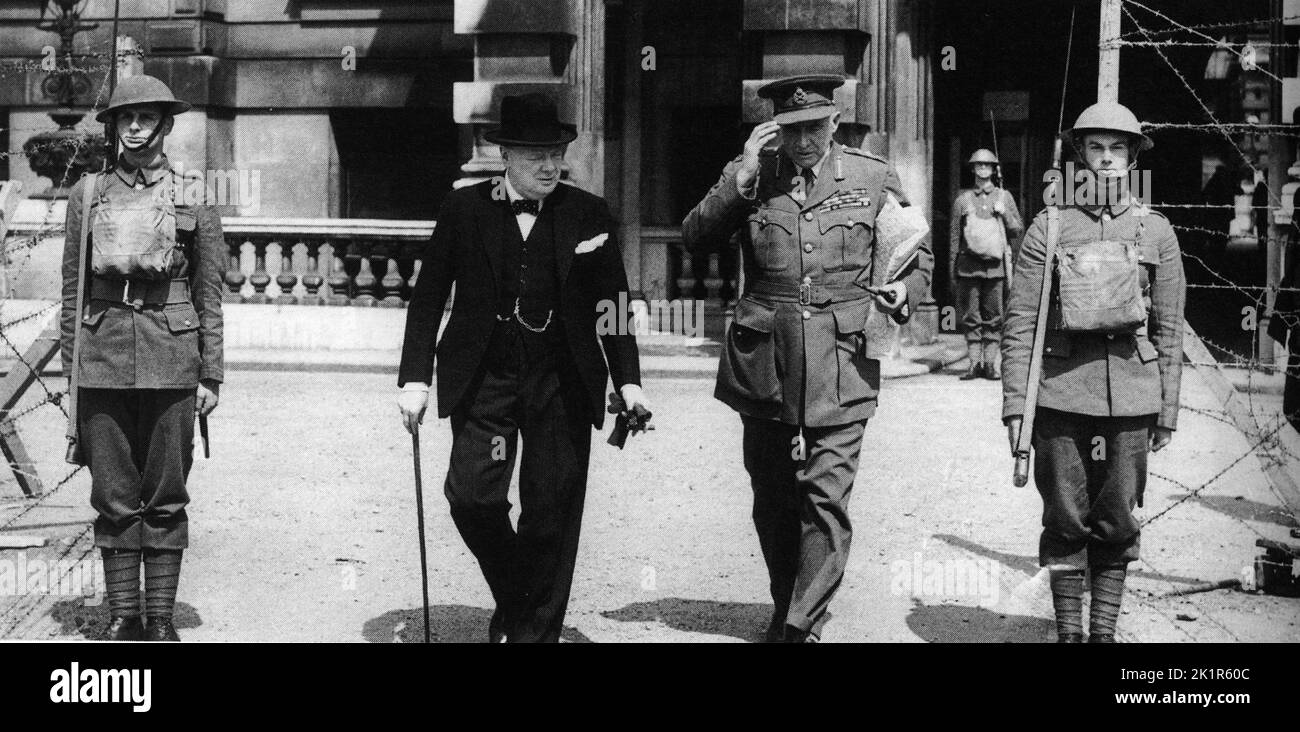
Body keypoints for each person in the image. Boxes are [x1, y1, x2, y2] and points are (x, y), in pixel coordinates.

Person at [682, 75, 932, 642]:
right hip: (764, 356)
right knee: (772, 497)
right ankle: (787, 603)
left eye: (814, 128)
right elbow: (695, 236)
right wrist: (741, 178)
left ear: (835, 123)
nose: (803, 143)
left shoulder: (871, 176)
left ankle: (800, 626)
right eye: (791, 131)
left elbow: (917, 252)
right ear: (773, 129)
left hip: (842, 357)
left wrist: (904, 292)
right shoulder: (749, 176)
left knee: (825, 496)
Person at [397, 93, 647, 643]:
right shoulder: (464, 208)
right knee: (472, 496)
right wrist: (415, 379)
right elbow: (429, 294)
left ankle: (534, 635)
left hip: (562, 379)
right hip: (484, 376)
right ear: (503, 154)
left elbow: (614, 305)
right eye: (535, 153)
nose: (548, 165)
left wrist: (628, 382)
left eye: (556, 151)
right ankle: (520, 598)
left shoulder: (587, 212)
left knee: (551, 507)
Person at [1001, 101, 1185, 643]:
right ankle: (1068, 634)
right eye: (1096, 148)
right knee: (1064, 518)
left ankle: (1102, 634)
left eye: (1118, 149)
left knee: (1118, 518)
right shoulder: (1049, 227)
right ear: (1079, 155)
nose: (1106, 160)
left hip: (1132, 396)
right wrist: (1017, 406)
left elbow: (1170, 329)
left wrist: (1166, 410)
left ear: (1132, 158)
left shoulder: (1156, 231)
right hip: (1060, 395)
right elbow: (1021, 324)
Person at [61, 75, 225, 642]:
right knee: (112, 495)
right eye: (124, 118)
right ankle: (123, 614)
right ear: (112, 126)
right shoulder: (88, 194)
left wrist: (211, 372)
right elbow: (71, 291)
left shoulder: (194, 193)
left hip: (172, 357)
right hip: (101, 357)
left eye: (146, 118)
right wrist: (72, 374)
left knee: (165, 493)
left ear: (165, 125)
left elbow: (209, 292)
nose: (134, 128)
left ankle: (159, 619)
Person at [949, 148, 1022, 380]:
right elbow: (954, 236)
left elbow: (1017, 229)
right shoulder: (963, 200)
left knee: (994, 316)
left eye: (987, 165)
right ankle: (973, 363)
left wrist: (1005, 215)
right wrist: (953, 266)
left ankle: (990, 364)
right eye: (978, 165)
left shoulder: (1003, 197)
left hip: (995, 268)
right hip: (968, 267)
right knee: (971, 315)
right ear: (973, 169)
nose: (982, 169)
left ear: (993, 169)